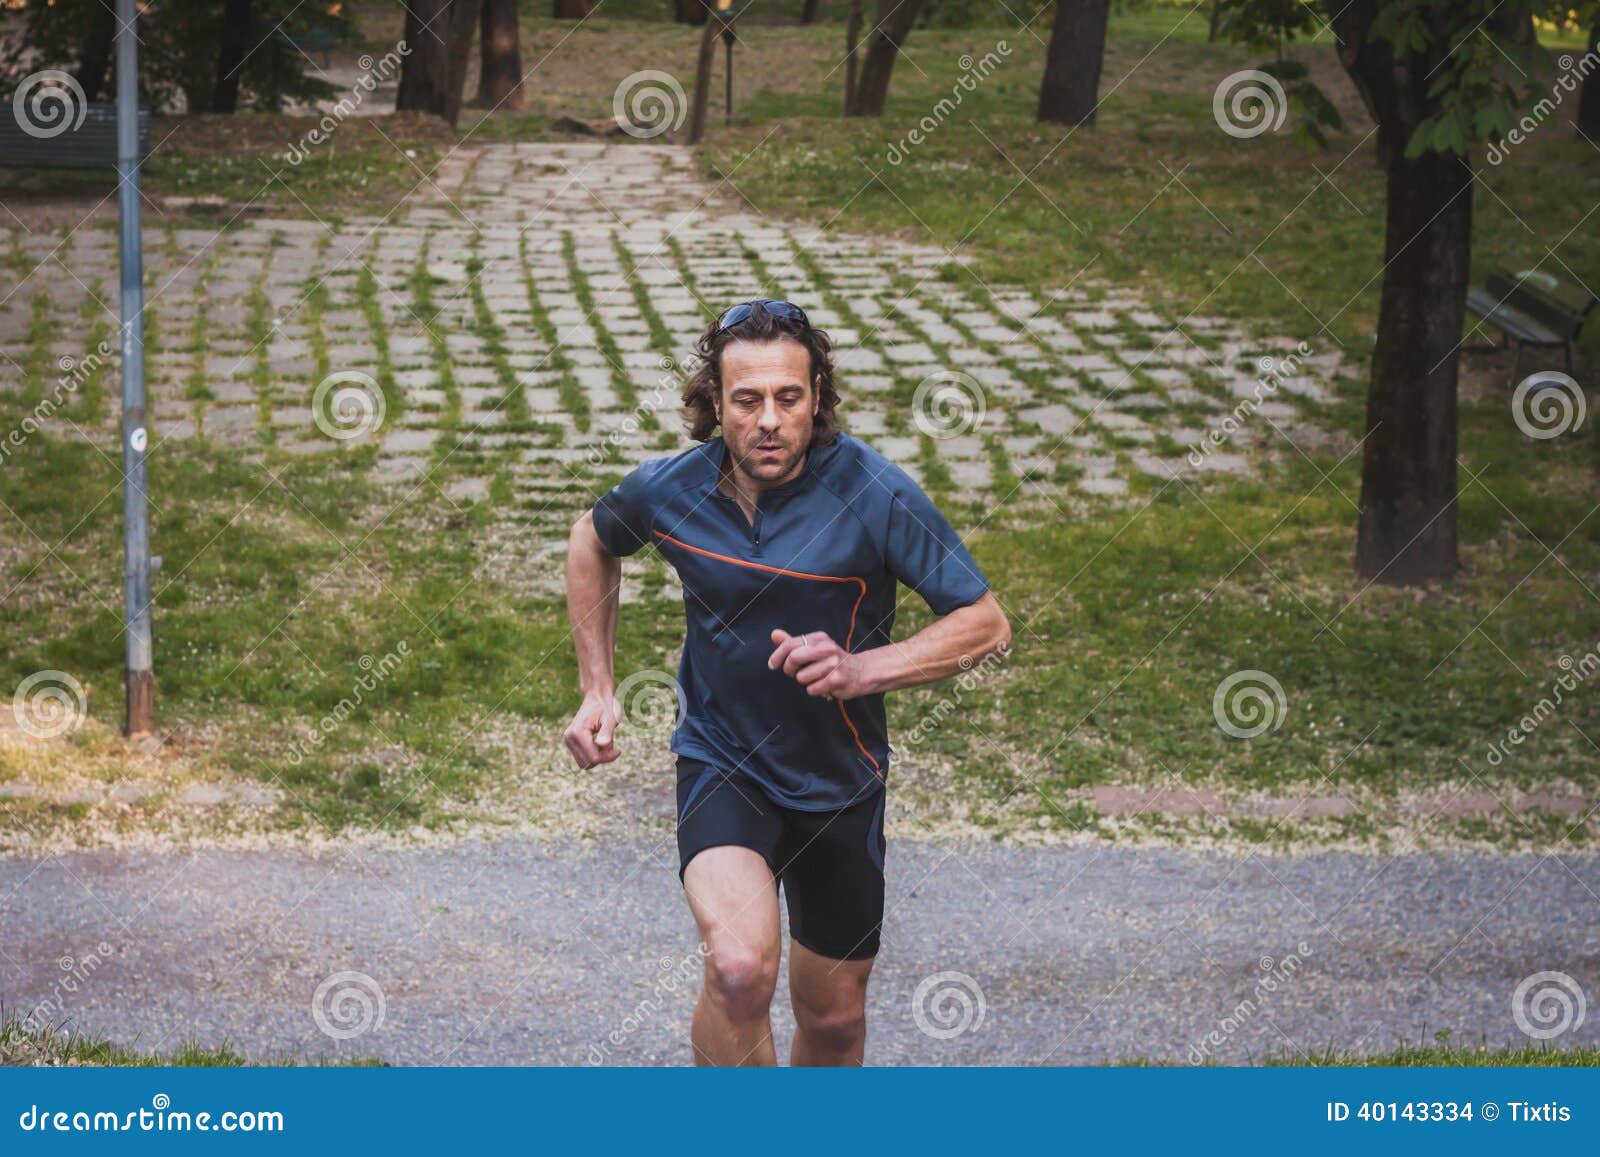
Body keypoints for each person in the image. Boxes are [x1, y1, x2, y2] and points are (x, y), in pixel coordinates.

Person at [564, 299, 1011, 1066]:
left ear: (816, 398)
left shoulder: (875, 495)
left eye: (788, 397)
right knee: (738, 972)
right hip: (722, 759)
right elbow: (592, 540)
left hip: (839, 777)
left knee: (832, 1017)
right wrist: (597, 687)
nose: (768, 419)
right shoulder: (671, 490)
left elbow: (986, 623)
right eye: (746, 400)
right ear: (714, 403)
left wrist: (861, 667)